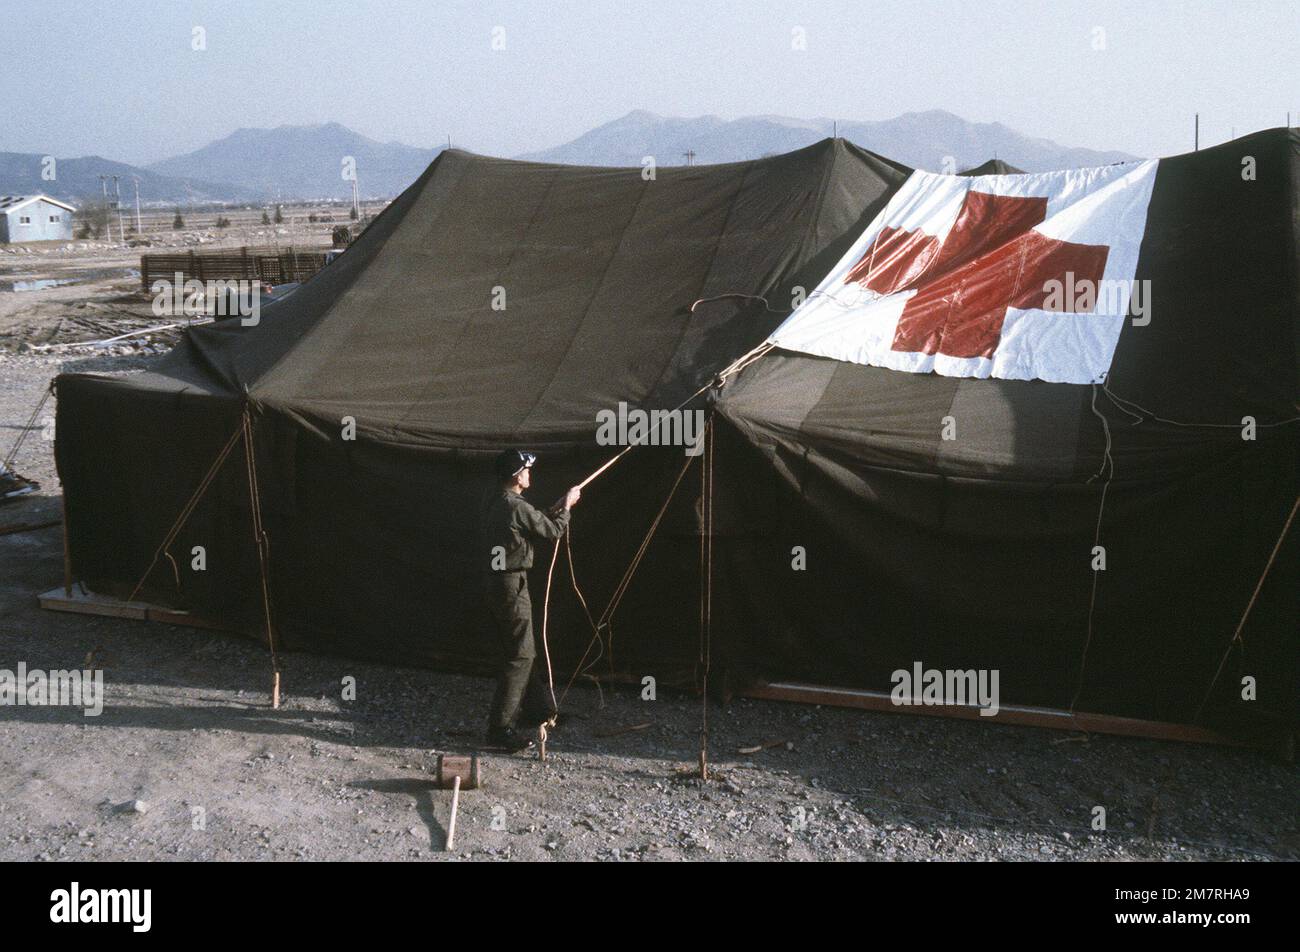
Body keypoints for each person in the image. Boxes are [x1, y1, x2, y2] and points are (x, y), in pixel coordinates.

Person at [480, 449, 581, 751]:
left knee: (523, 650)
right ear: (516, 475)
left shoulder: (498, 500)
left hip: (499, 583)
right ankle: (500, 730)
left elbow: (527, 526)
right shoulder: (515, 506)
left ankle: (537, 711)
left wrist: (554, 510)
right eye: (526, 469)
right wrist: (568, 506)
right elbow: (553, 531)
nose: (529, 474)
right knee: (521, 655)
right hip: (511, 584)